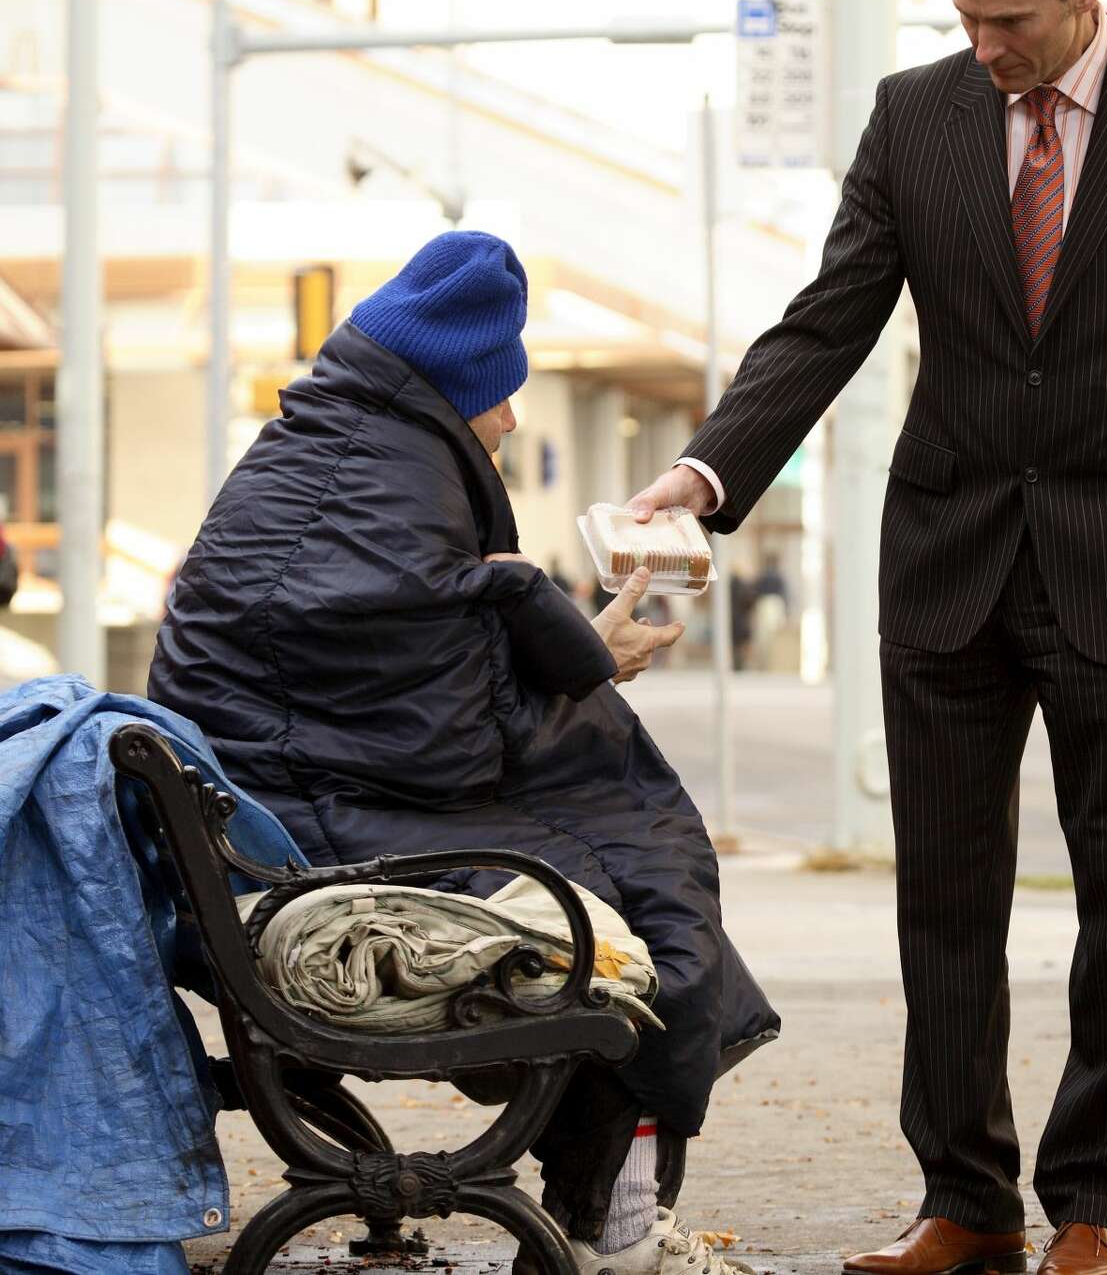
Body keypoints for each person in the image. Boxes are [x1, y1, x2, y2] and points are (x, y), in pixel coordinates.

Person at [628, 0, 1107, 1275]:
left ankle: (1095, 1207)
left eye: (1010, 22)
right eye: (969, 19)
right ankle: (967, 1198)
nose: (987, 47)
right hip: (948, 558)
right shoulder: (914, 114)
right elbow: (828, 324)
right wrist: (704, 476)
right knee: (942, 897)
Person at [149, 231, 776, 1275]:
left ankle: (610, 1215)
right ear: (453, 389)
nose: (512, 418)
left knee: (634, 877)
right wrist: (589, 663)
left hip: (267, 821)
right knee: (636, 911)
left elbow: (403, 680)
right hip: (312, 838)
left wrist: (569, 651)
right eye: (498, 394)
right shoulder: (395, 486)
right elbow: (444, 749)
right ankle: (614, 1226)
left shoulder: (326, 455)